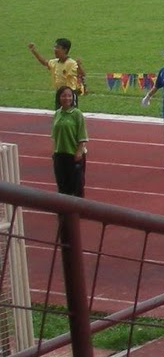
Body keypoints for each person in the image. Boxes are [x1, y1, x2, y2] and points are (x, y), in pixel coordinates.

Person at [49, 85, 87, 243]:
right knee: (62, 185)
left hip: (74, 155)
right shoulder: (57, 114)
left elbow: (83, 136)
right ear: (59, 98)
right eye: (64, 96)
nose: (67, 99)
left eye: (69, 96)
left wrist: (79, 151)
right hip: (60, 155)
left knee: (76, 185)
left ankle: (79, 211)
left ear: (73, 98)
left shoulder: (77, 114)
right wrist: (55, 152)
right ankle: (64, 211)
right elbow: (55, 136)